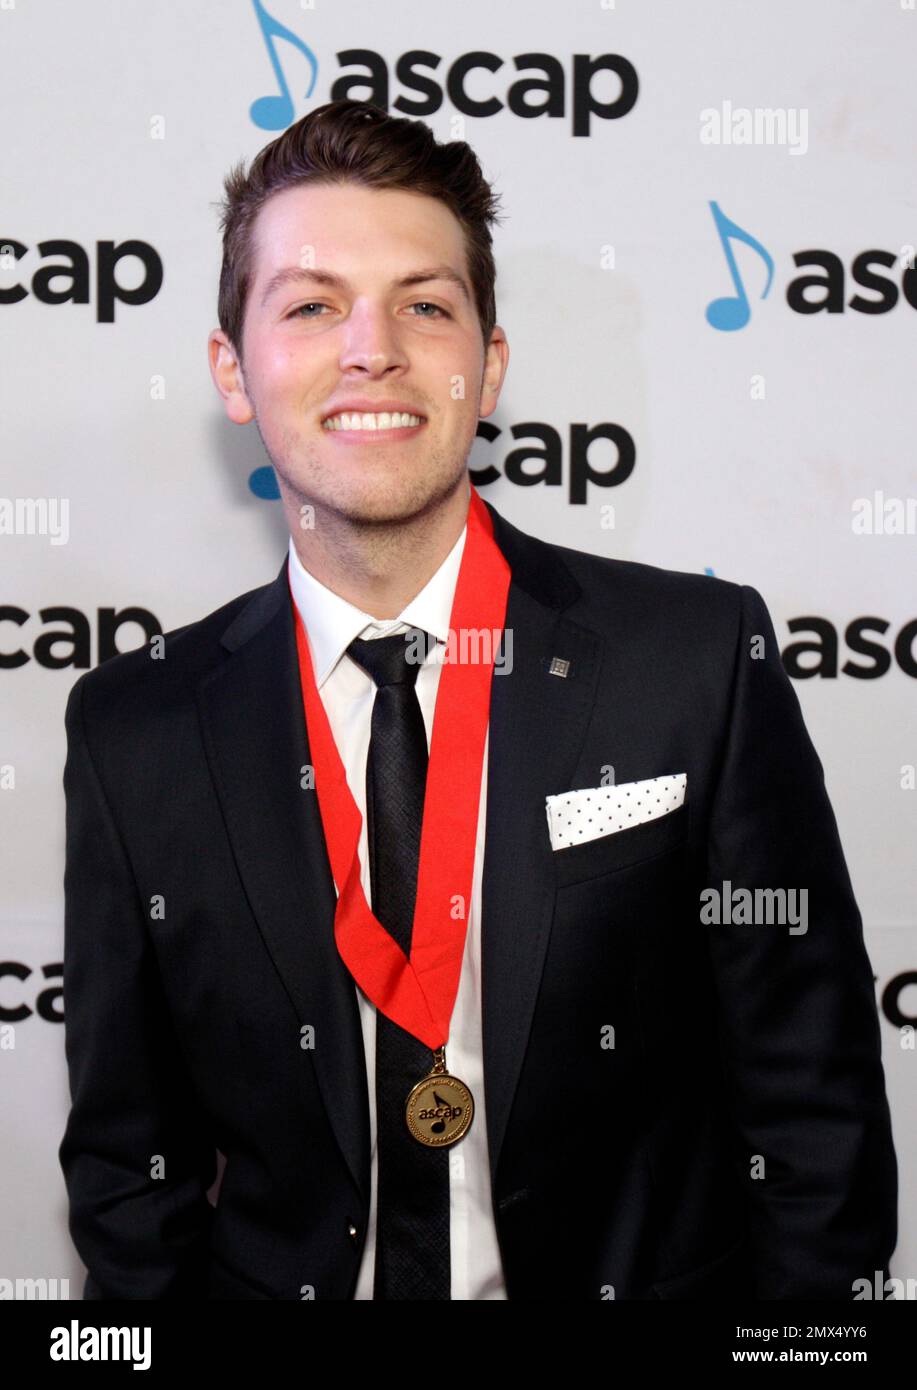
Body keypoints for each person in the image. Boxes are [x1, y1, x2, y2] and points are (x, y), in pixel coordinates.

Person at [58, 99, 897, 1301]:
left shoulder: (693, 661)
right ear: (232, 372)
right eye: (309, 305)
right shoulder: (134, 730)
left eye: (425, 304)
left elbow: (812, 1110)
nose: (372, 348)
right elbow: (126, 1168)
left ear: (487, 367)